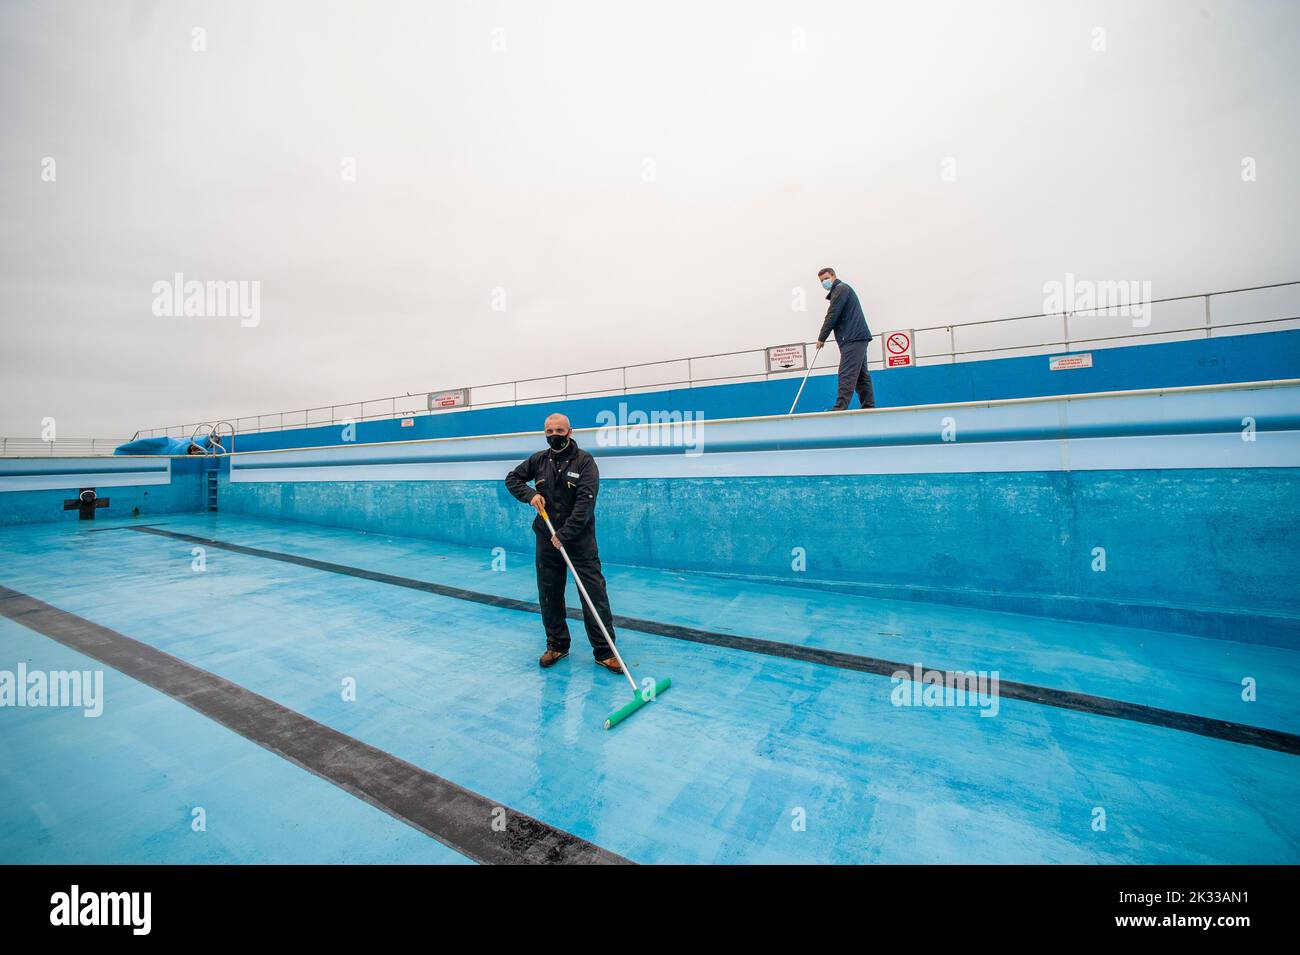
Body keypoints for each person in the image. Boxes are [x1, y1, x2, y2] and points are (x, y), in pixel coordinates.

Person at [504, 413, 623, 673]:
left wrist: (564, 534)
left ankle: (605, 652)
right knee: (549, 594)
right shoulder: (538, 460)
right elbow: (512, 479)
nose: (554, 435)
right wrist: (531, 495)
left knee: (594, 595)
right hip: (546, 539)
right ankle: (557, 645)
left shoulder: (585, 462)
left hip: (579, 541)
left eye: (559, 430)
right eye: (549, 431)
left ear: (570, 432)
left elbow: (585, 504)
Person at [815, 267, 875, 410]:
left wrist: (821, 338)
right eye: (821, 281)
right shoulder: (840, 290)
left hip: (852, 337)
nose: (824, 282)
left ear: (833, 276)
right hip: (856, 337)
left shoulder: (840, 289)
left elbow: (832, 314)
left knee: (846, 372)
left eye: (826, 278)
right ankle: (869, 407)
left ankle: (840, 408)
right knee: (861, 376)